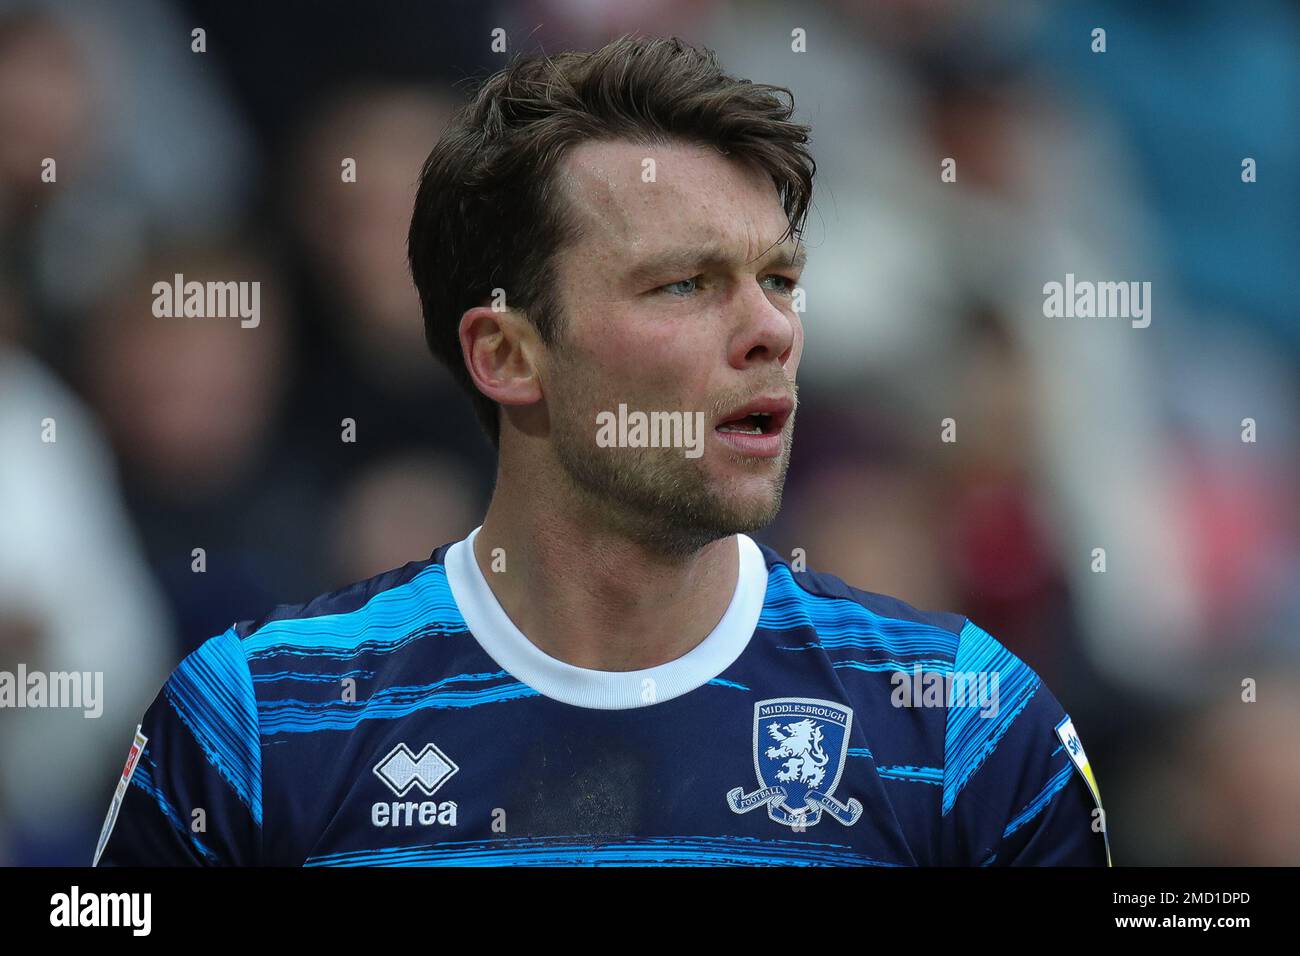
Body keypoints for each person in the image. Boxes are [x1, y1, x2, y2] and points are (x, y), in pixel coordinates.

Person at [94, 35, 1108, 867]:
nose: (773, 330)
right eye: (684, 284)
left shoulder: (964, 727)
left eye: (780, 280)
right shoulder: (260, 725)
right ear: (505, 353)